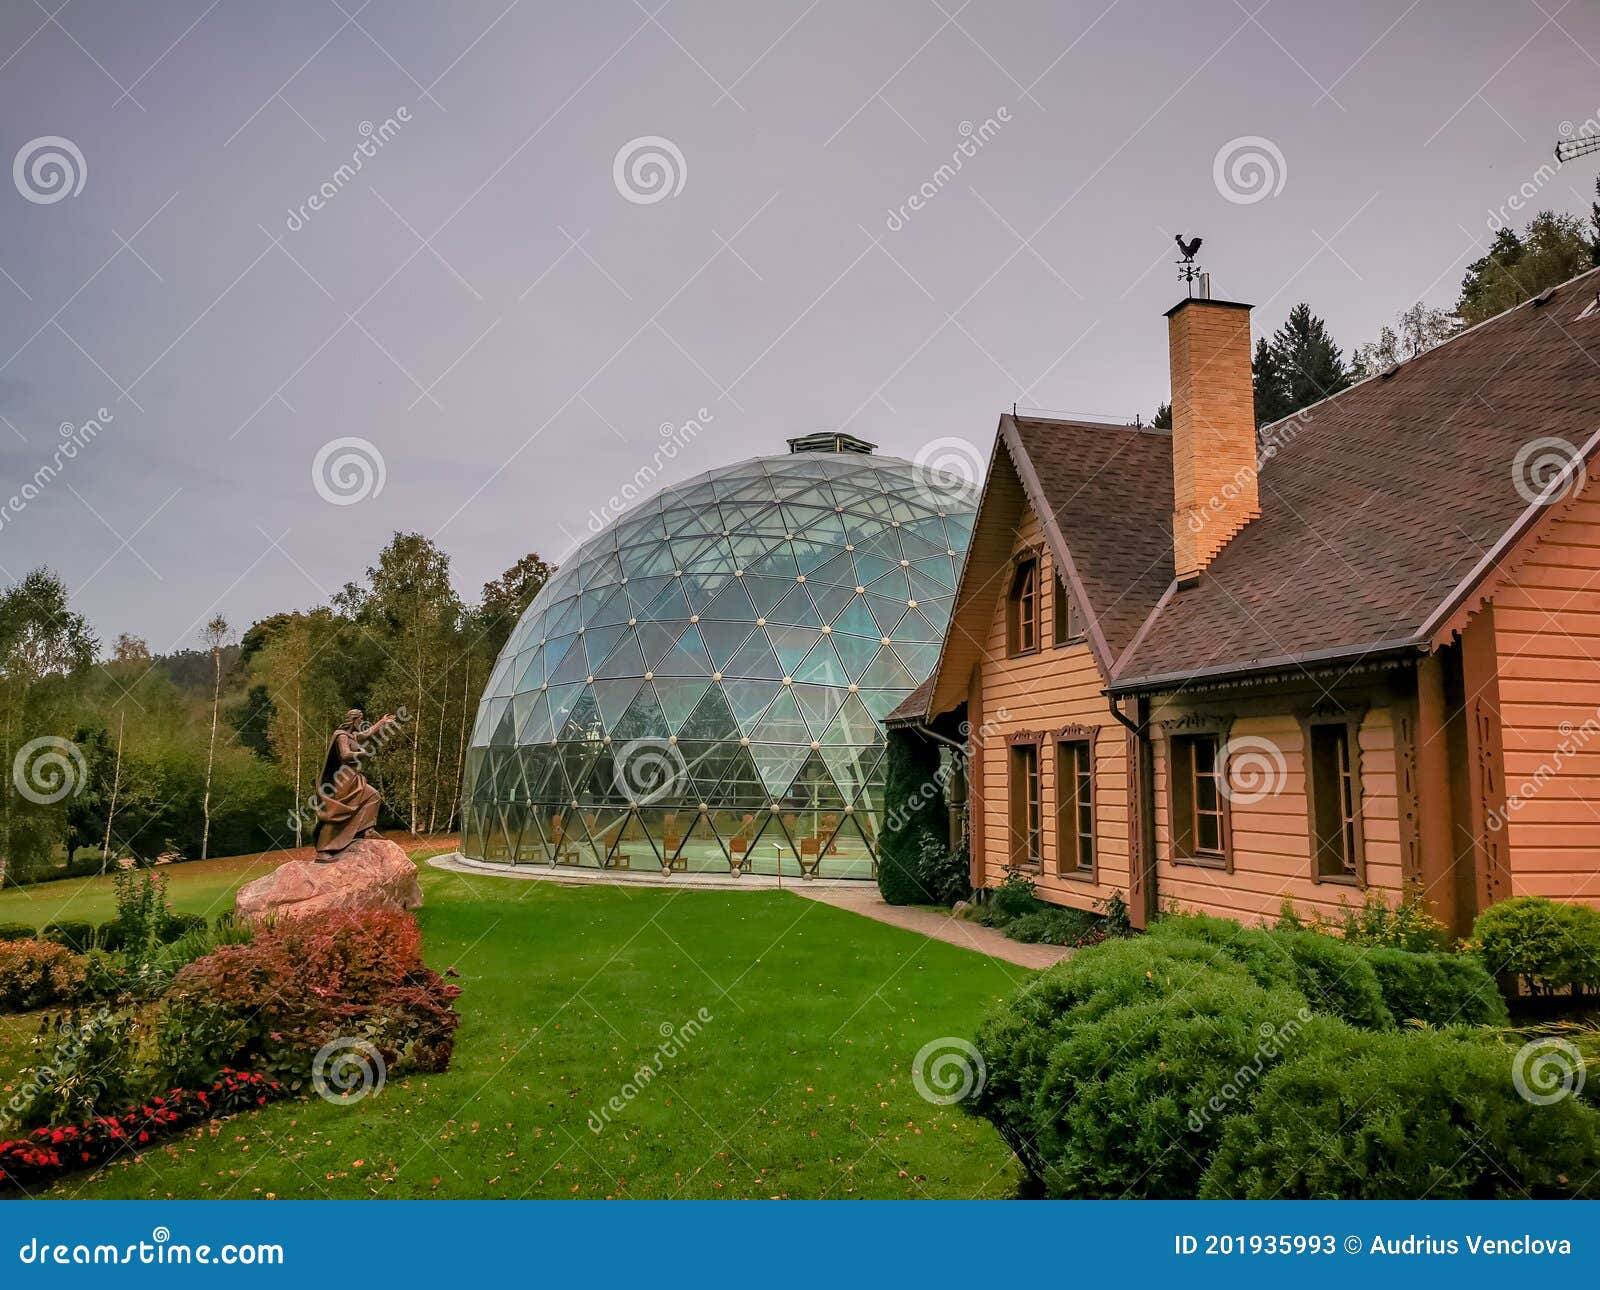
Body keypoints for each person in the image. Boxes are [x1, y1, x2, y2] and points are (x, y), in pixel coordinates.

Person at [312, 709, 398, 861]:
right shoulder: (341, 736)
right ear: (354, 720)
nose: (361, 722)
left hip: (354, 777)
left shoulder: (353, 736)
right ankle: (322, 851)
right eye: (360, 719)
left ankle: (367, 830)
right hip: (343, 781)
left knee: (374, 796)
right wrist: (362, 753)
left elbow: (367, 733)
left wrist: (382, 722)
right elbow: (345, 755)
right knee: (338, 812)